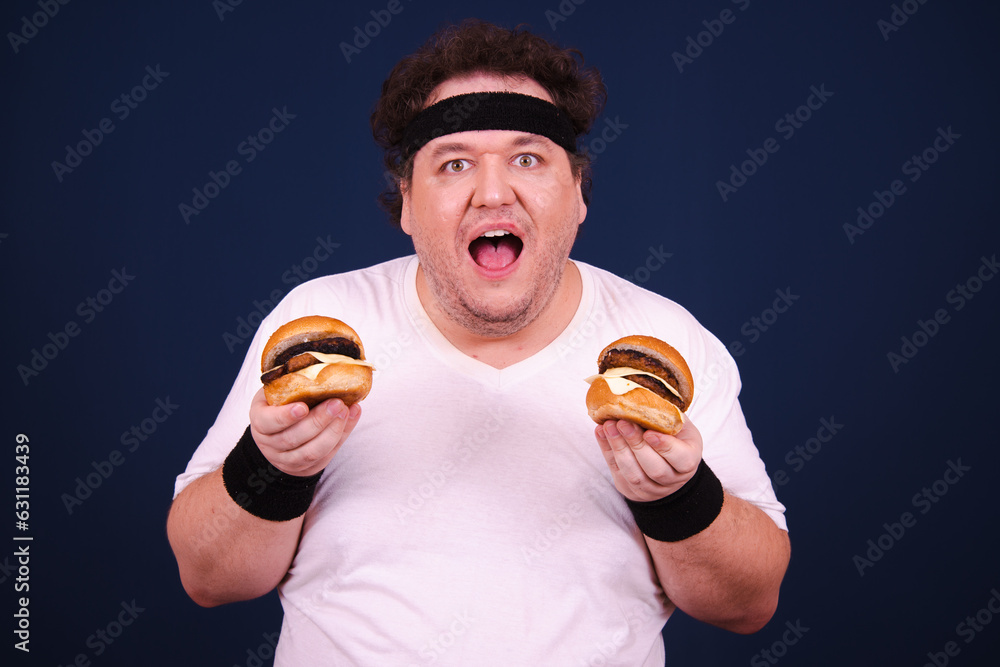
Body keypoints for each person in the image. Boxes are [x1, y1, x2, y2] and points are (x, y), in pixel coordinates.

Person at [167, 19, 789, 666]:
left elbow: (749, 603)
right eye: (455, 163)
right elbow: (209, 577)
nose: (493, 193)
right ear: (406, 203)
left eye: (527, 158)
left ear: (578, 194)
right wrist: (275, 465)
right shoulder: (323, 328)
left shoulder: (665, 344)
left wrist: (676, 494)